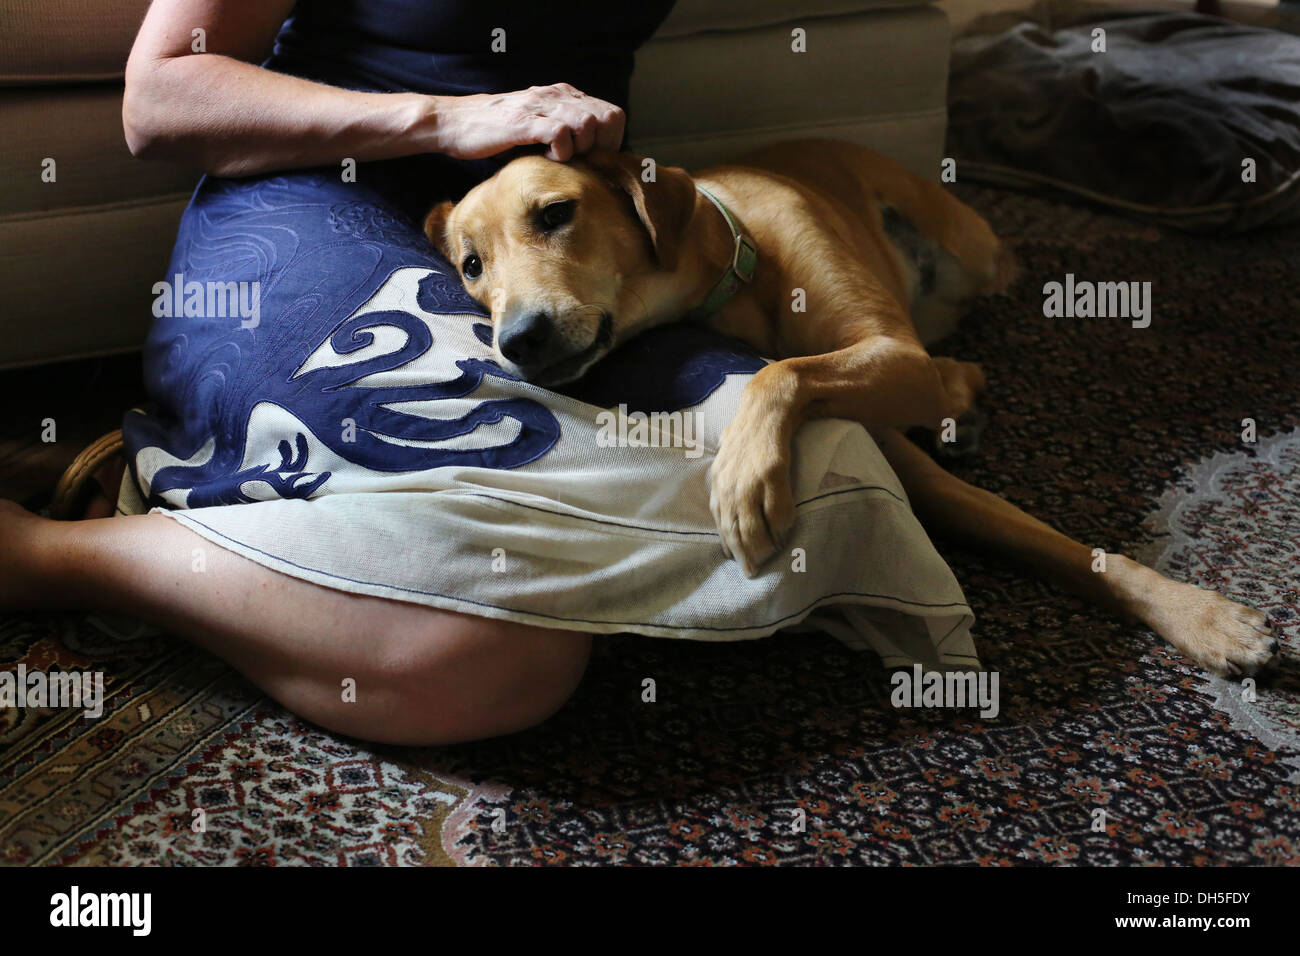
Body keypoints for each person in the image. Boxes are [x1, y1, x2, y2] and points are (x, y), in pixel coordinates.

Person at [0, 0, 979, 747]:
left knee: (822, 473)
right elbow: (161, 91)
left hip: (549, 246)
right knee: (494, 660)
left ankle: (315, 524)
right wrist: (452, 116)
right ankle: (54, 553)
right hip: (312, 200)